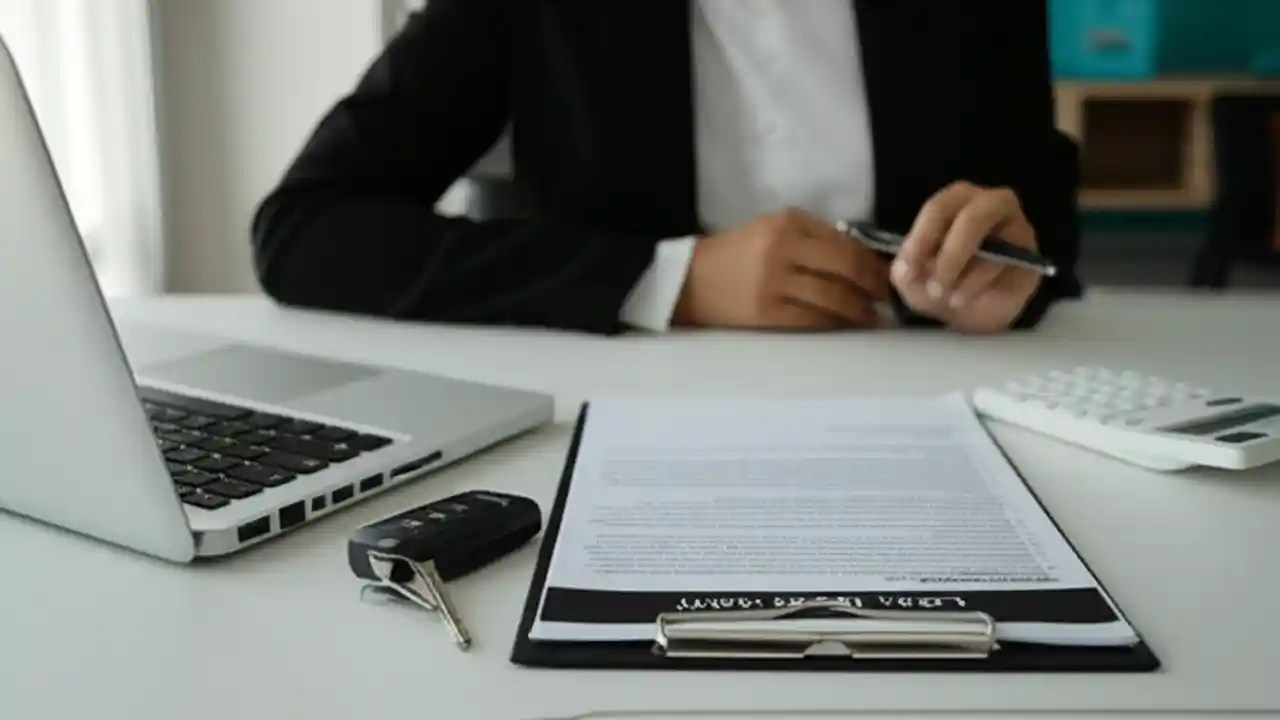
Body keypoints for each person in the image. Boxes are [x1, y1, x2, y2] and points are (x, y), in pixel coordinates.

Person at [253, 0, 1082, 336]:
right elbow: (304, 231)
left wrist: (1003, 282)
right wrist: (666, 278)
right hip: (618, 427)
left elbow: (1044, 235)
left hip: (937, 416)